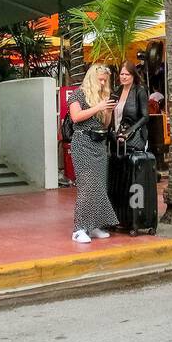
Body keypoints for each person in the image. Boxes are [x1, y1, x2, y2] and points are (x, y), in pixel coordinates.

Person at [67, 64, 121, 243]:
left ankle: (94, 225)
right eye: (100, 79)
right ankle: (79, 229)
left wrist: (107, 112)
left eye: (105, 79)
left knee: (99, 186)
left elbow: (104, 125)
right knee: (87, 186)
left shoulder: (101, 97)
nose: (103, 82)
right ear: (92, 77)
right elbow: (76, 117)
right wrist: (98, 107)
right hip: (82, 144)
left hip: (99, 144)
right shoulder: (78, 94)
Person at [113, 61, 150, 153]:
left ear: (133, 75)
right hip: (116, 136)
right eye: (122, 74)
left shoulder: (140, 91)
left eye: (127, 74)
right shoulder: (117, 91)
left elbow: (145, 116)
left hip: (133, 137)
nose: (124, 77)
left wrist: (129, 131)